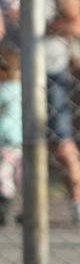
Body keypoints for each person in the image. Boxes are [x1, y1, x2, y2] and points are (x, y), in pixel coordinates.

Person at [0, 0, 80, 223]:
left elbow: (77, 23)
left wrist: (35, 23)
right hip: (10, 75)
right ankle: (23, 204)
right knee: (12, 144)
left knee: (59, 140)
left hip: (49, 70)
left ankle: (79, 204)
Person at [0, 44, 21, 224]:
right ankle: (13, 207)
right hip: (19, 141)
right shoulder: (23, 88)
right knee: (16, 175)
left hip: (5, 141)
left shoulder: (5, 90)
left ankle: (6, 208)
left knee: (4, 174)